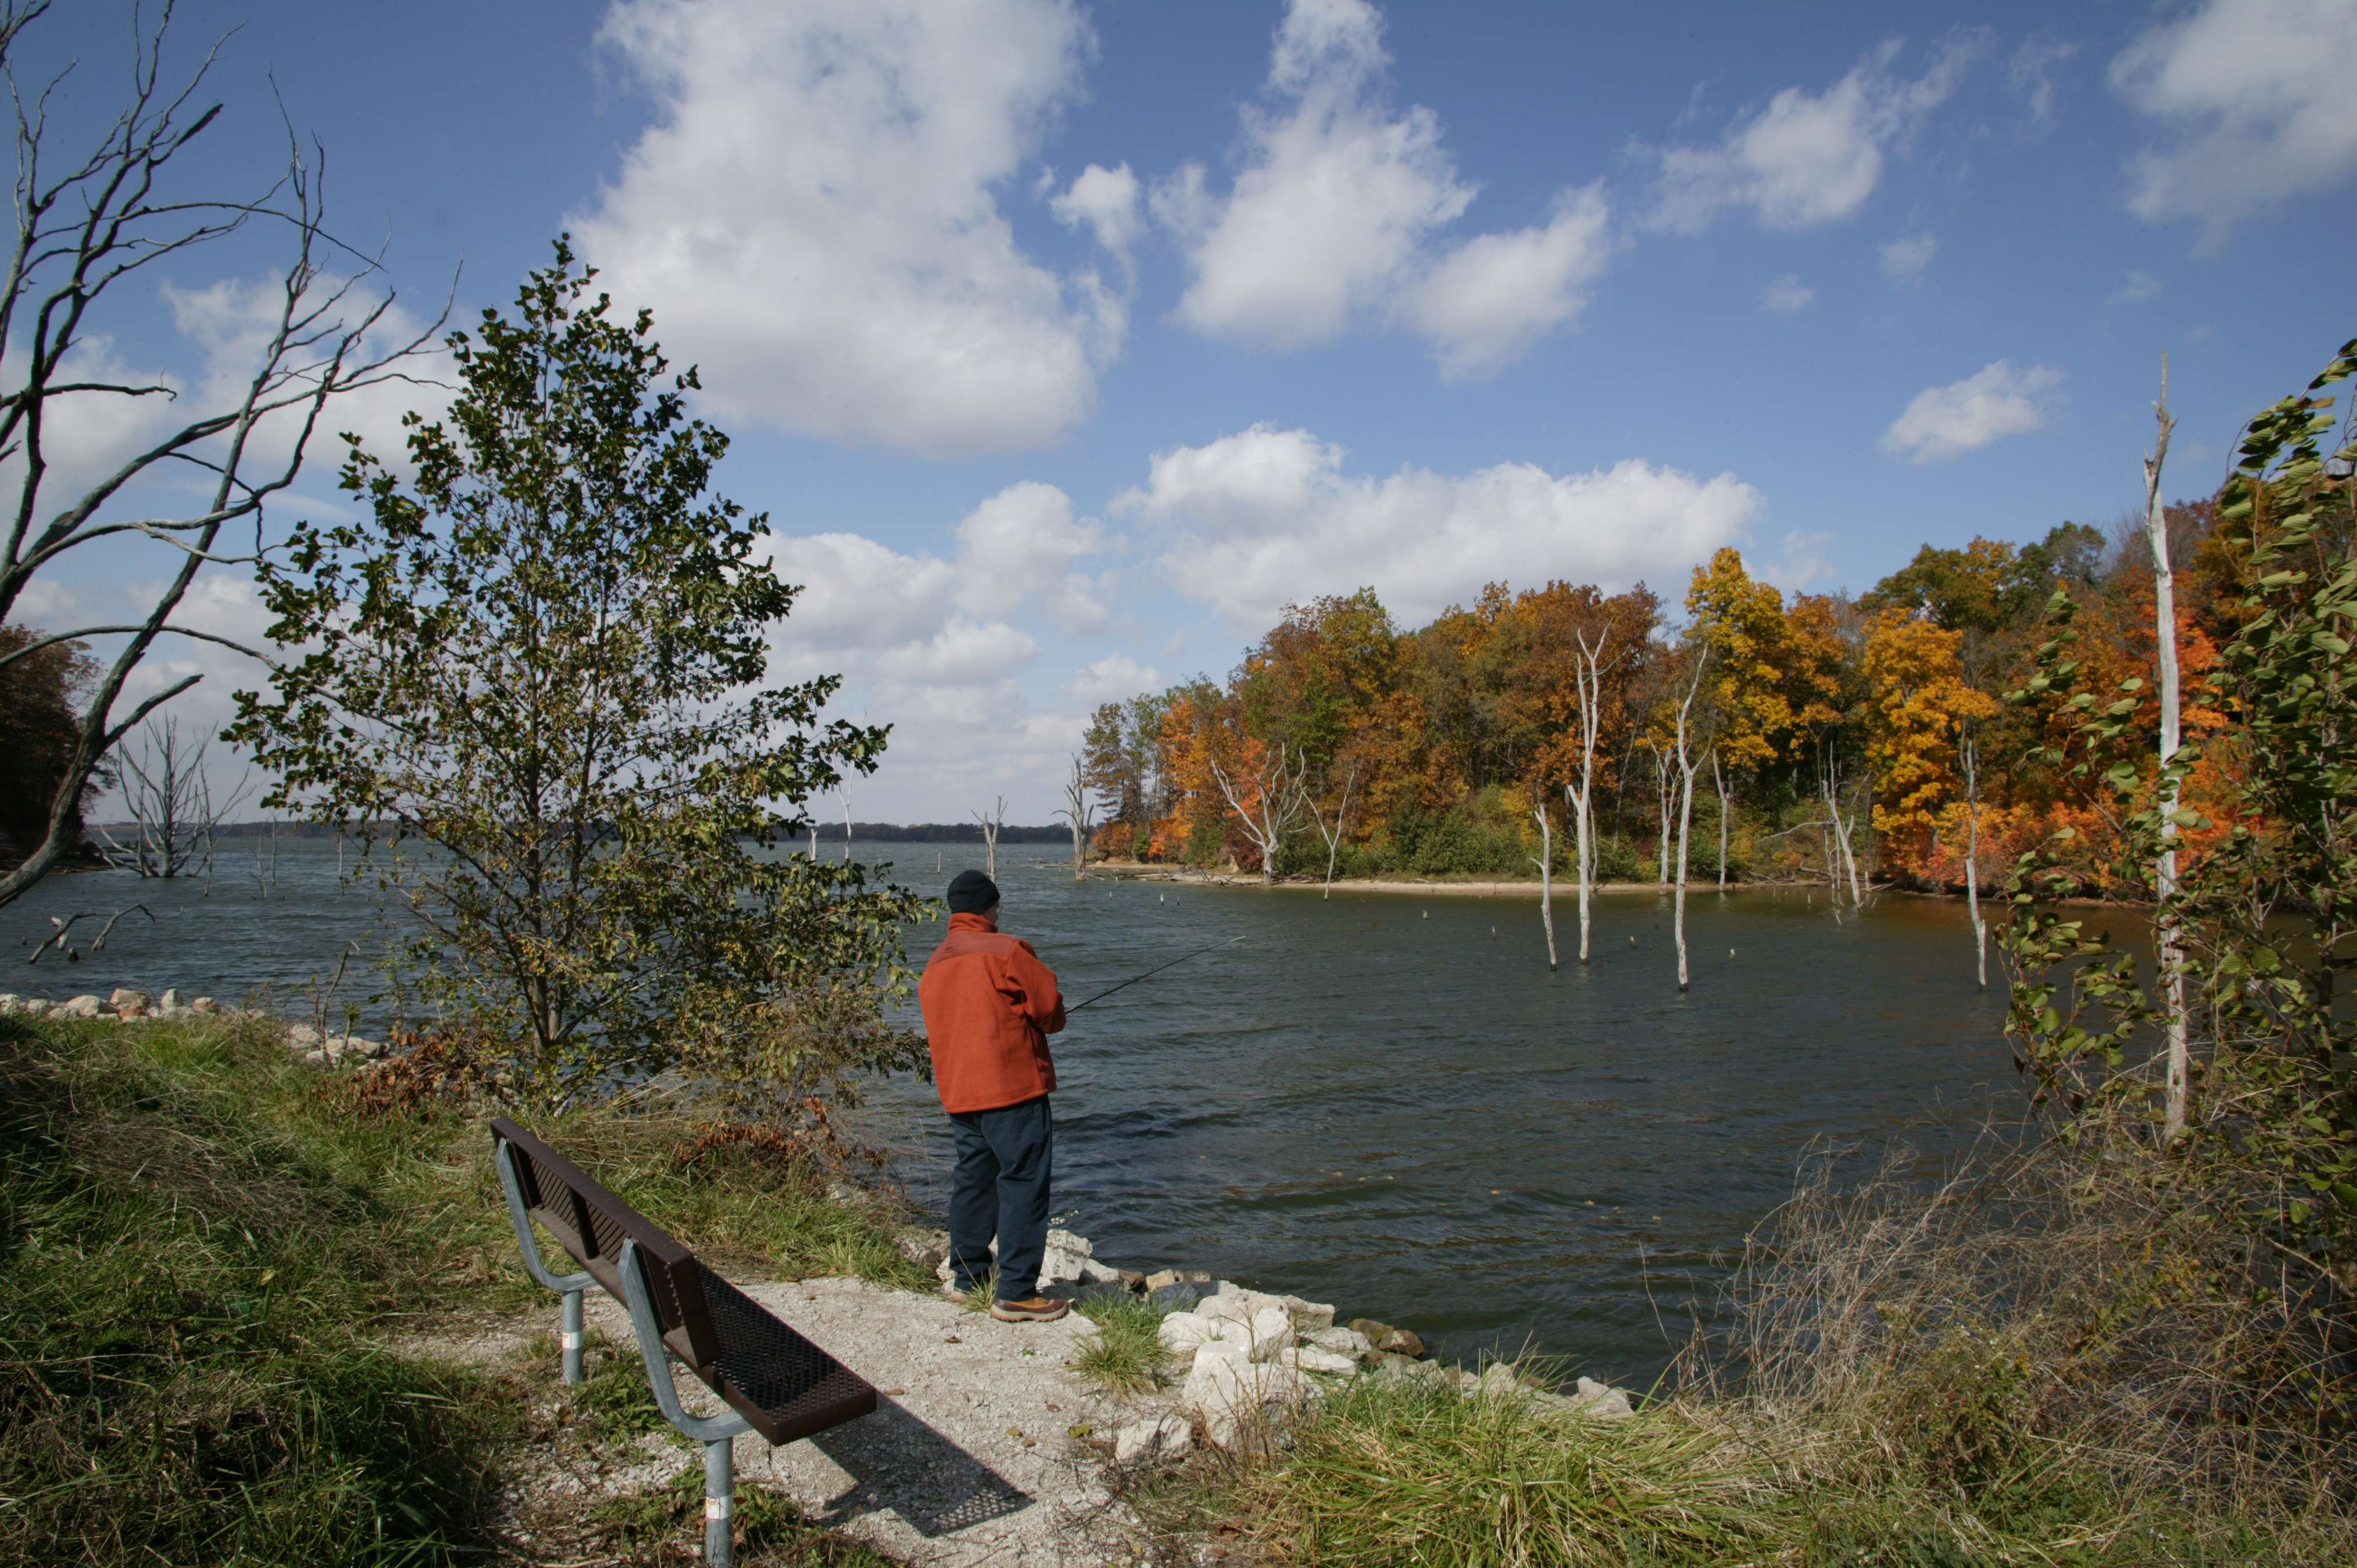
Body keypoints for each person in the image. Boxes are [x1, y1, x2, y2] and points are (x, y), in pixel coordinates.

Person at [916, 869, 1070, 1322]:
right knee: (1023, 1182)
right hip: (1013, 1089)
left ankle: (967, 1279)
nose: (999, 915)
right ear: (988, 908)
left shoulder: (934, 963)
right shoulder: (1007, 951)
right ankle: (1018, 1292)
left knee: (973, 1180)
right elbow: (1049, 1010)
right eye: (997, 907)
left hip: (960, 1095)